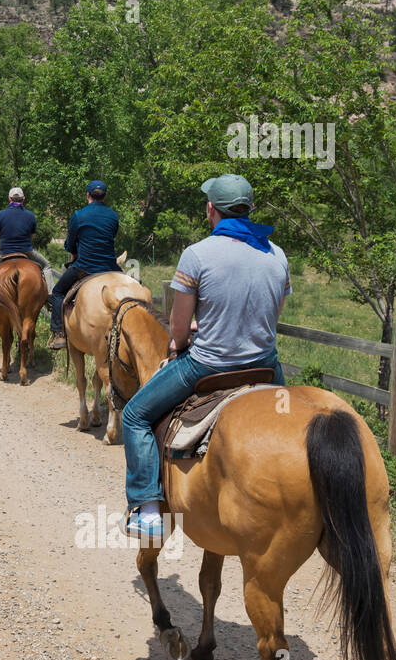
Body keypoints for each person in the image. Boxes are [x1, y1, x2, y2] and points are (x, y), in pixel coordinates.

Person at [121, 174, 289, 541]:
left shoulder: (197, 254)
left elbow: (179, 328)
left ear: (211, 209)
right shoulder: (277, 254)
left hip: (209, 366)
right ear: (250, 210)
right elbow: (270, 314)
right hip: (265, 366)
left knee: (134, 414)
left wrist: (181, 341)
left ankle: (148, 511)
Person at [48, 180, 121, 350]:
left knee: (58, 292)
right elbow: (111, 236)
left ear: (88, 195)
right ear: (105, 196)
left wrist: (73, 252)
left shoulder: (79, 215)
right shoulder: (113, 216)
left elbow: (70, 244)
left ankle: (59, 334)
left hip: (84, 267)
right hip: (110, 267)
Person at [0, 187, 53, 314]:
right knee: (46, 266)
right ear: (23, 199)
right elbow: (32, 236)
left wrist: (4, 236)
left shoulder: (1, 214)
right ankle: (50, 297)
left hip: (5, 252)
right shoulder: (30, 215)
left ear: (9, 199)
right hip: (26, 251)